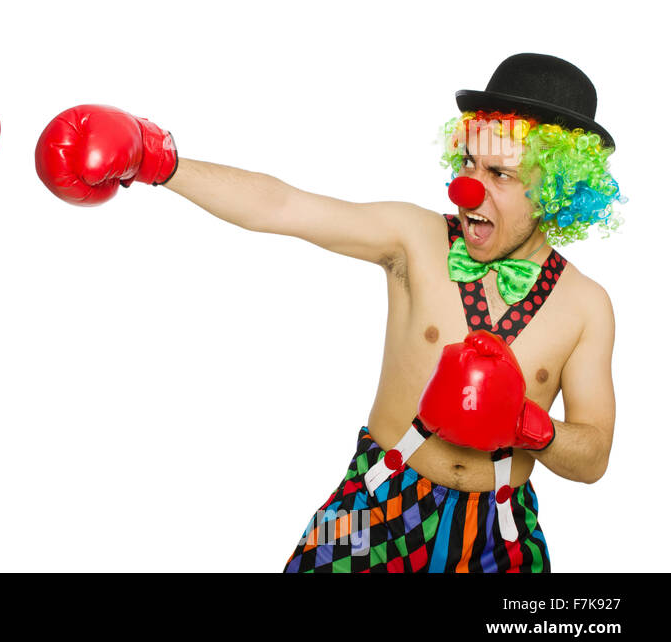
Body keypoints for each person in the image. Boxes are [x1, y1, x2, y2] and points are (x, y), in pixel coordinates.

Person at [34, 53, 620, 572]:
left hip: (498, 534)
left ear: (556, 192)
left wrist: (526, 426)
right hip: (378, 505)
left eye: (499, 174)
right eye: (467, 163)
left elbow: (593, 456)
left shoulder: (586, 306)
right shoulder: (415, 239)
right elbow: (284, 206)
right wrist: (156, 160)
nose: (467, 188)